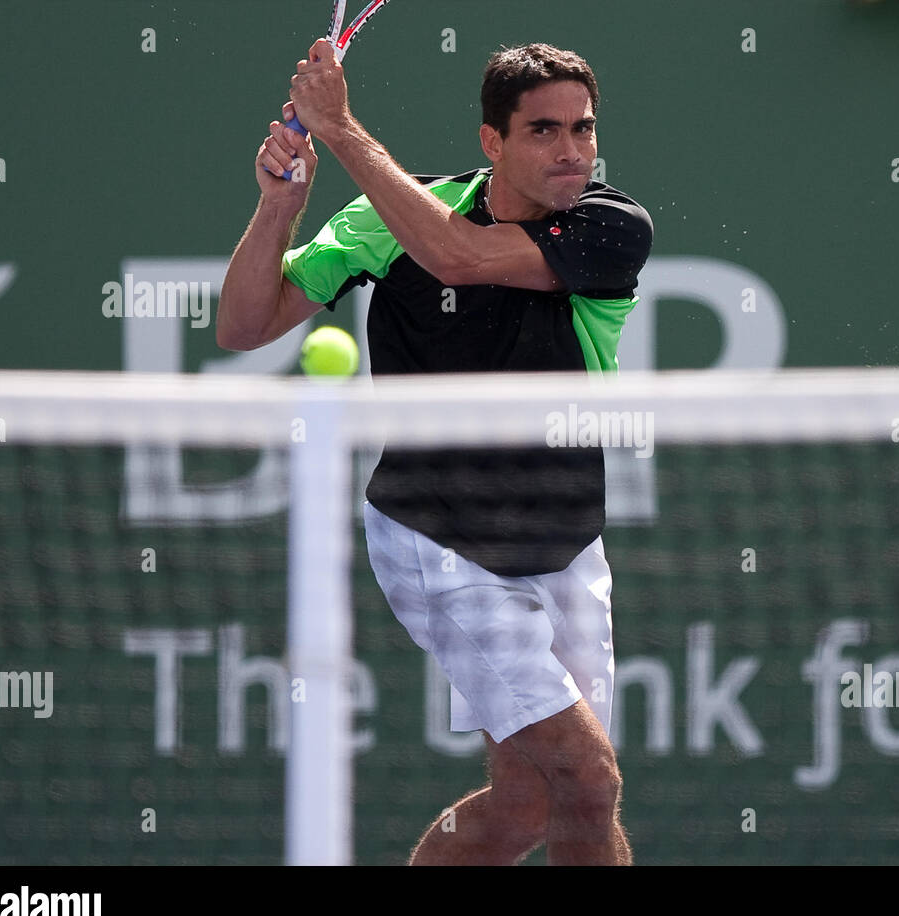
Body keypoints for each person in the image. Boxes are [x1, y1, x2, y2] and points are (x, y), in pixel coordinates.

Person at [216, 41, 653, 866]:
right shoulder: (386, 220)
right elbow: (243, 326)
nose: (571, 150)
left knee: (533, 801)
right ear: (494, 142)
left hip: (564, 542)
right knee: (588, 782)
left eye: (583, 129)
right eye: (543, 131)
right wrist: (280, 203)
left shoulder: (609, 227)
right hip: (437, 542)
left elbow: (462, 257)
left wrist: (338, 129)